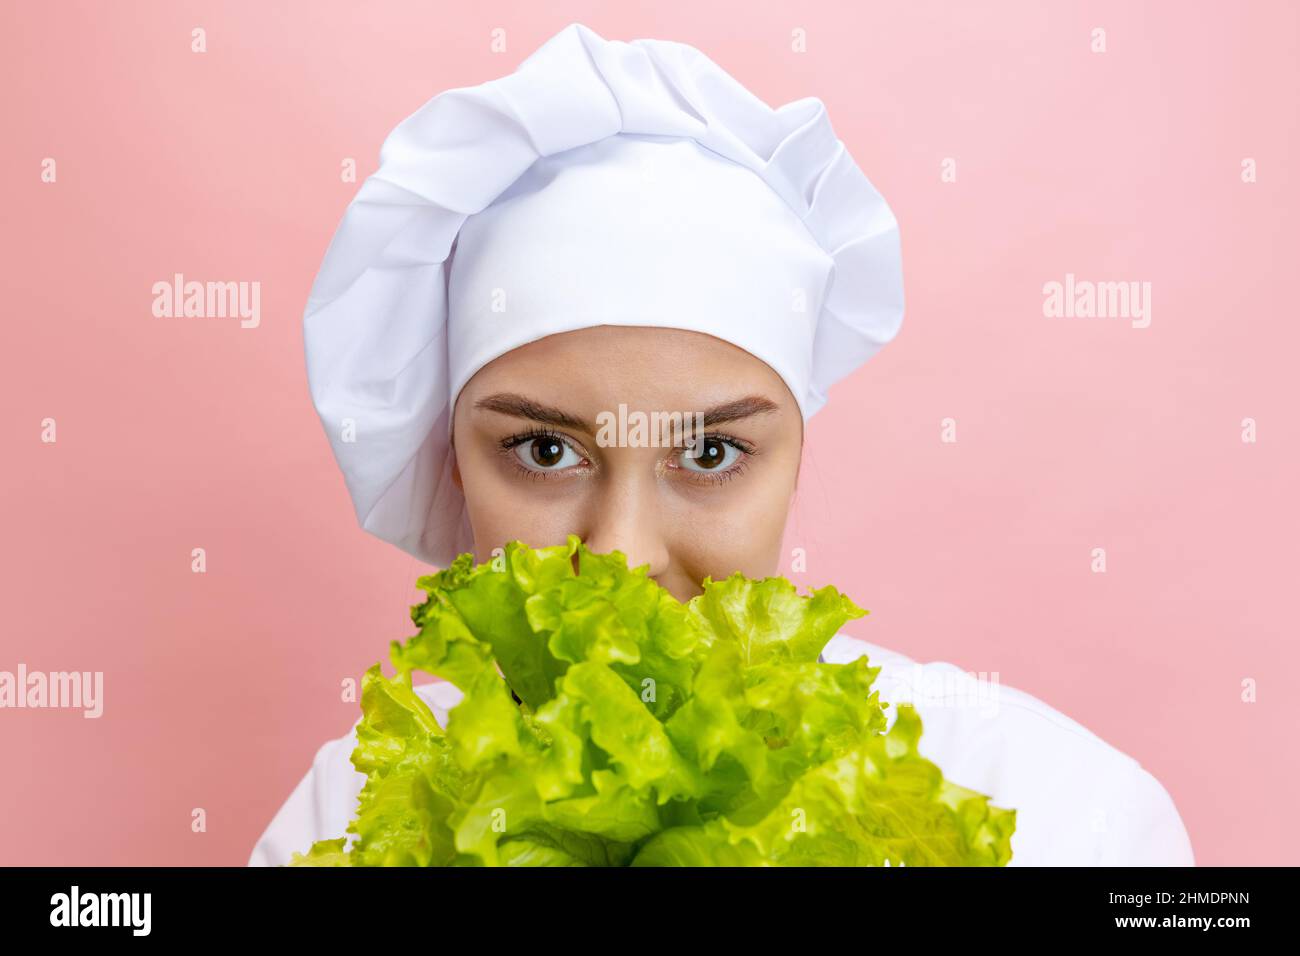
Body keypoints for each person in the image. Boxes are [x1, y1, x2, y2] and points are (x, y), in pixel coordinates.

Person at [248, 22, 1193, 867]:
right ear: (451, 459)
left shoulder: (1068, 817)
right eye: (544, 451)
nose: (621, 554)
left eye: (707, 455)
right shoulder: (349, 820)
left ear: (794, 459)